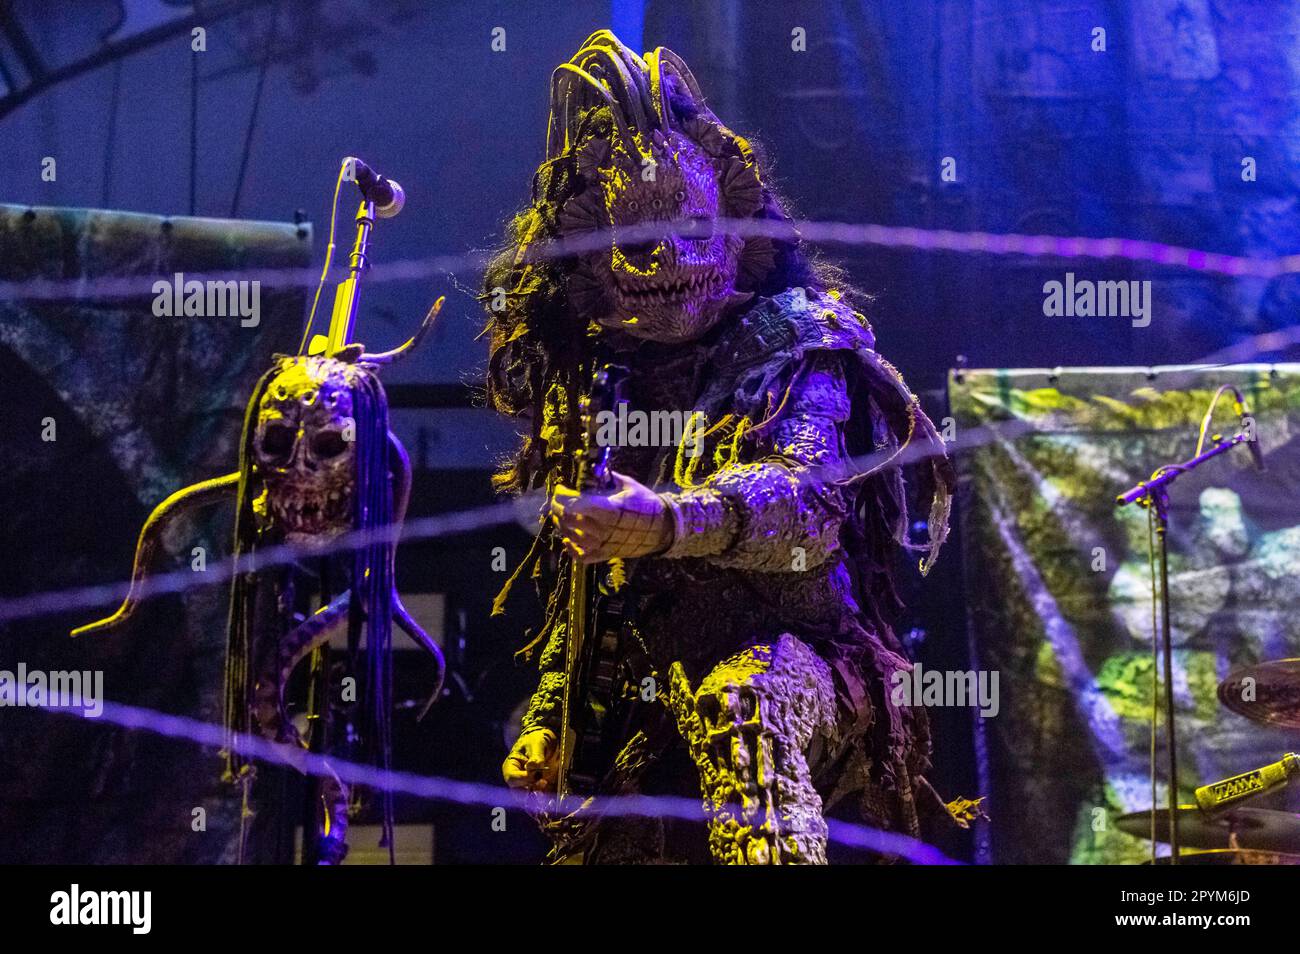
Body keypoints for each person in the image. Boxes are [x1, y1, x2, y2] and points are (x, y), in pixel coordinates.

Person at [486, 30, 955, 864]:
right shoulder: (595, 381)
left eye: (698, 226)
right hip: (656, 688)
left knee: (745, 707)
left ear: (738, 229)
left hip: (807, 665)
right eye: (639, 243)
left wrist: (668, 521)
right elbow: (586, 588)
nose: (678, 259)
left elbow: (808, 504)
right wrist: (558, 708)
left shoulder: (800, 345)